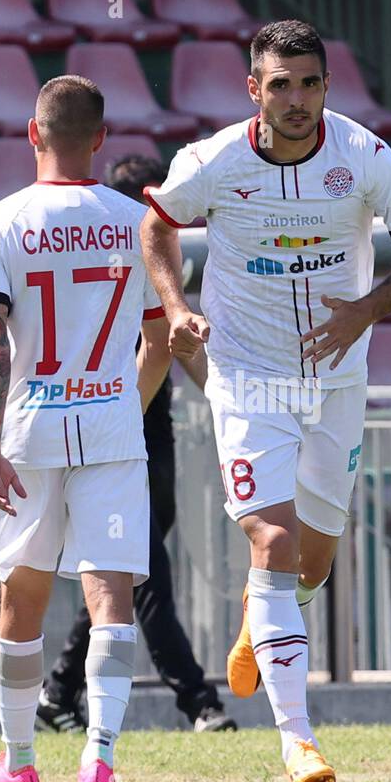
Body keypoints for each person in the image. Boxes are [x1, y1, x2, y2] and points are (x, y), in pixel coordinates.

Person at [141, 20, 391, 782]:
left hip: (337, 384)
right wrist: (175, 305)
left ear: (325, 88)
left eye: (310, 83)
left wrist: (362, 314)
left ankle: (260, 616)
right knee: (271, 541)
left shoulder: (364, 156)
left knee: (313, 562)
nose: (298, 99)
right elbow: (156, 227)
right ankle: (298, 742)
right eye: (281, 84)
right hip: (246, 379)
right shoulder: (212, 162)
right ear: (254, 89)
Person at [0, 76, 171, 782]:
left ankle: (19, 763)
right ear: (102, 138)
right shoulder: (139, 220)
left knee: (20, 599)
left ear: (32, 133)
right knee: (110, 592)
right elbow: (163, 336)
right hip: (110, 428)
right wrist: (123, 404)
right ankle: (100, 759)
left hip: (28, 429)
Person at [38, 154, 235, 735]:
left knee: (121, 575)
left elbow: (177, 347)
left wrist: (230, 409)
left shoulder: (155, 268)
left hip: (154, 434)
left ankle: (56, 691)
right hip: (112, 439)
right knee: (142, 573)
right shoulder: (94, 269)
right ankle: (199, 700)